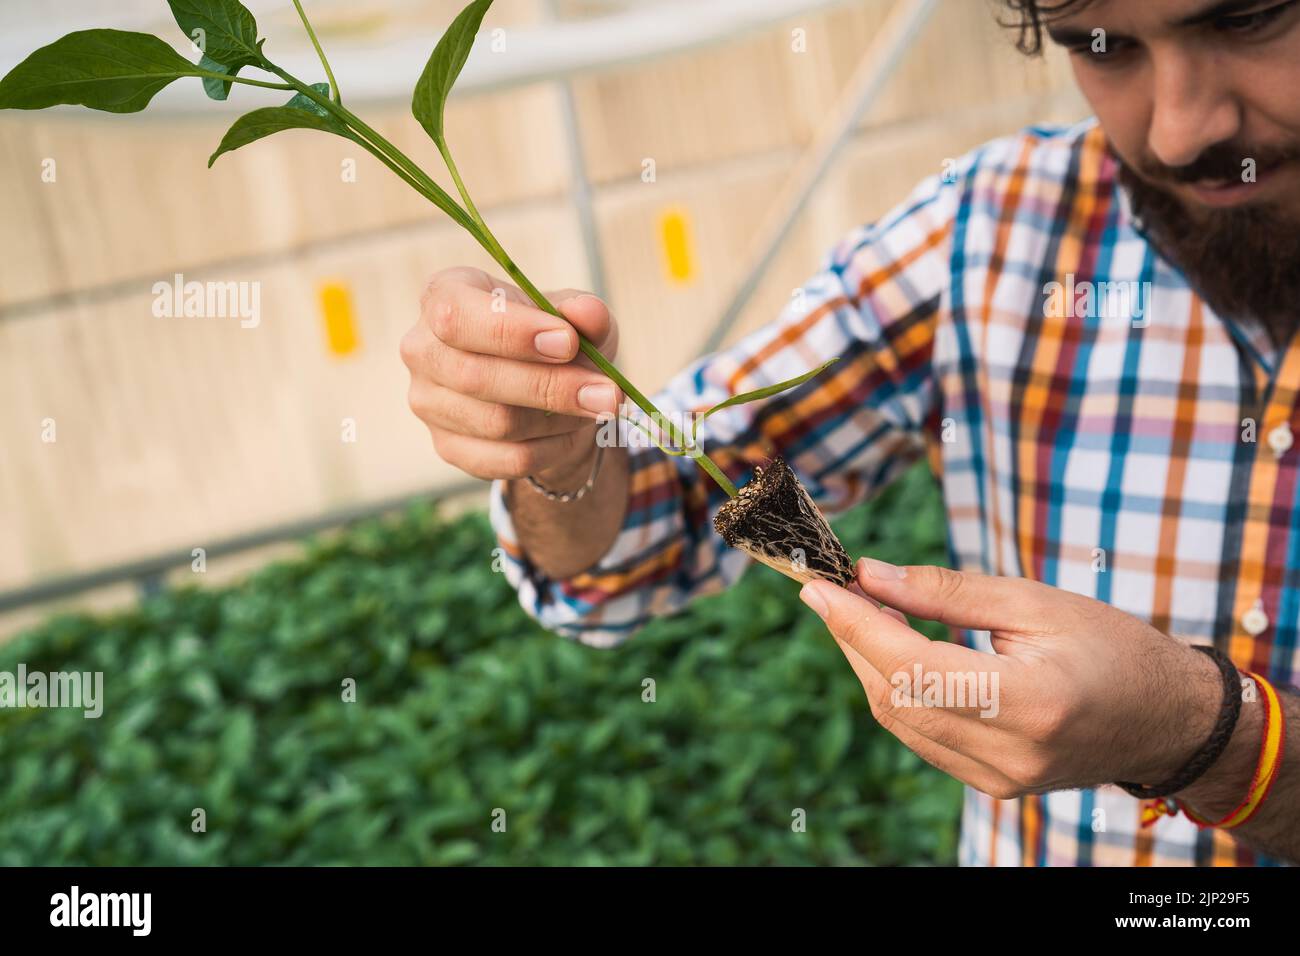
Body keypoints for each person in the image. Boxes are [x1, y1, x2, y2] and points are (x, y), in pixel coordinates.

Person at [400, 0, 1300, 866]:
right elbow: (640, 534)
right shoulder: (990, 226)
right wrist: (557, 454)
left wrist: (1210, 739)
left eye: (1249, 17)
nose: (1181, 129)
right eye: (1103, 47)